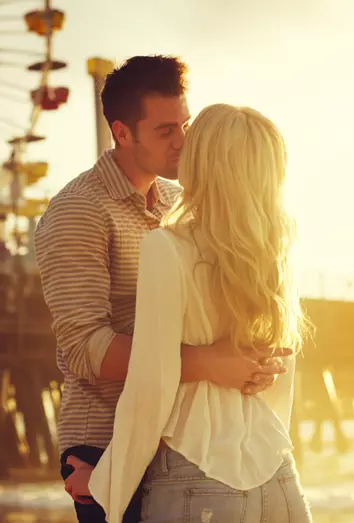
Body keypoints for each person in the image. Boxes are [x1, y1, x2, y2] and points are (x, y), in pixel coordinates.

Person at [35, 57, 291, 523]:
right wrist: (210, 364)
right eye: (165, 131)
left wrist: (252, 362)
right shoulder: (79, 211)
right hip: (110, 437)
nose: (184, 142)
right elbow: (85, 348)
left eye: (186, 125)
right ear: (122, 131)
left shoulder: (181, 201)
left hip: (179, 436)